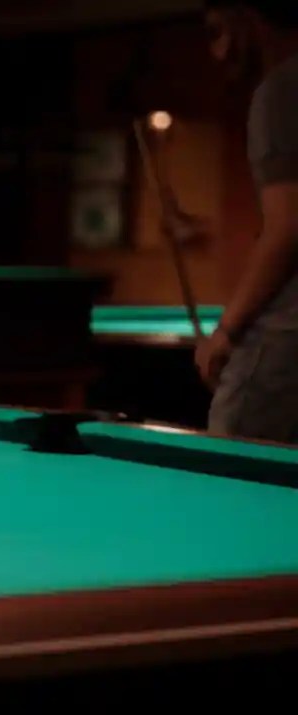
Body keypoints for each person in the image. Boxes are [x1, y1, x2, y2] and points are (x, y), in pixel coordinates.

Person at [197, 0, 298, 443]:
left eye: (218, 31)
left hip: (287, 338)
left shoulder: (282, 90)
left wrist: (226, 331)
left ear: (249, 17)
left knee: (230, 454)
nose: (217, 53)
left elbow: (288, 227)